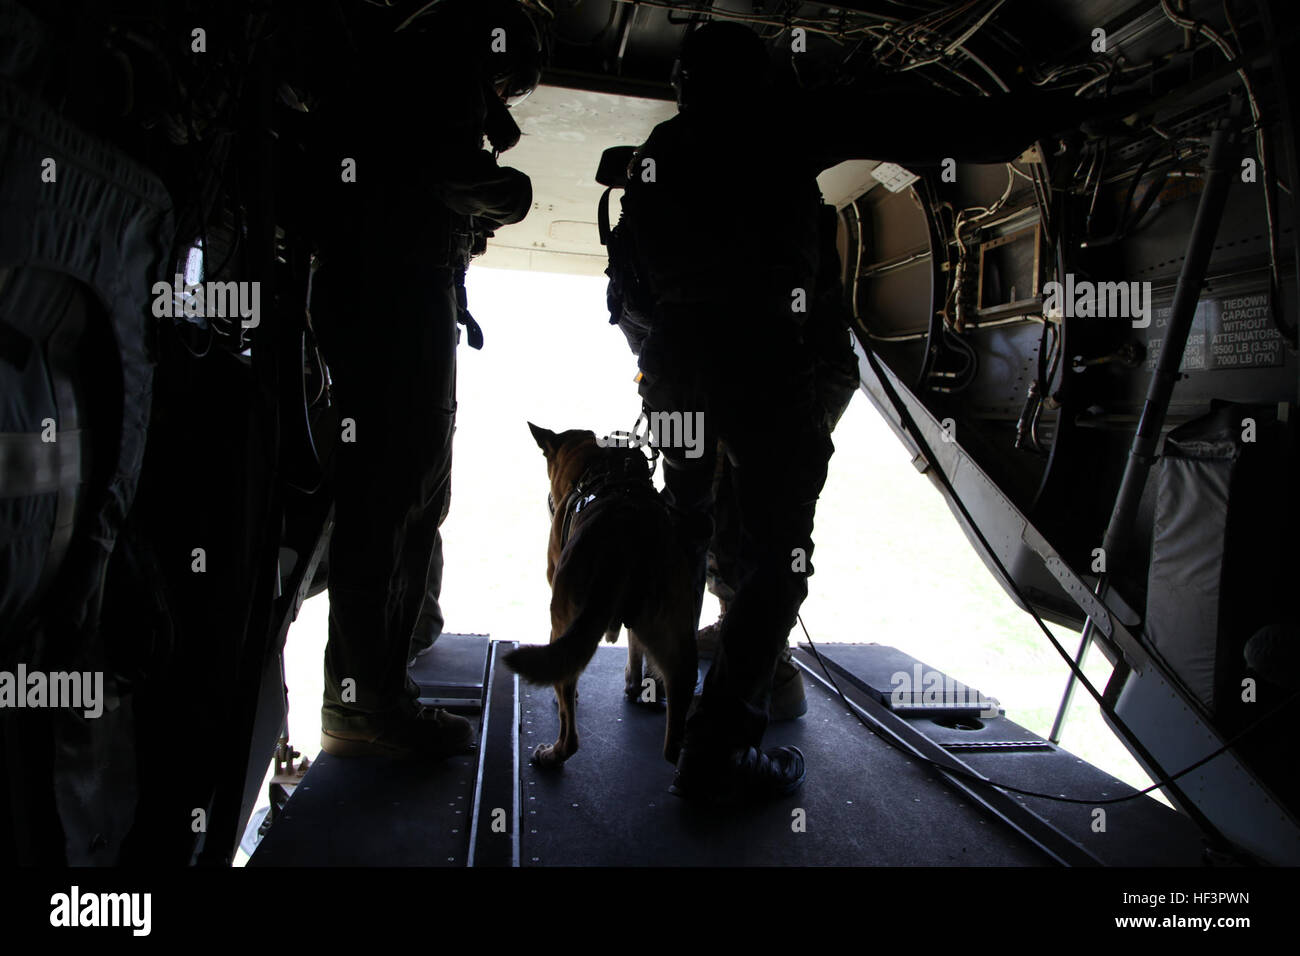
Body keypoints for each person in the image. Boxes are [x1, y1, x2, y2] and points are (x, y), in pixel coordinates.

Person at [627, 21, 1125, 802]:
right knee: (776, 565)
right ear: (753, 80)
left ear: (685, 86)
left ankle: (662, 690)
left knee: (686, 523)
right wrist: (1051, 110)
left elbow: (628, 285)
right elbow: (926, 122)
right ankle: (715, 751)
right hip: (762, 372)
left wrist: (663, 364)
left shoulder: (659, 152)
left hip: (676, 376)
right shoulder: (779, 124)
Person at [308, 0, 539, 758]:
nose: (500, 103)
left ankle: (373, 674)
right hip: (402, 299)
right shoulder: (440, 74)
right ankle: (371, 703)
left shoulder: (394, 70)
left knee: (383, 490)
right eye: (506, 88)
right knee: (404, 493)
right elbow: (444, 172)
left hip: (372, 295)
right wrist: (512, 194)